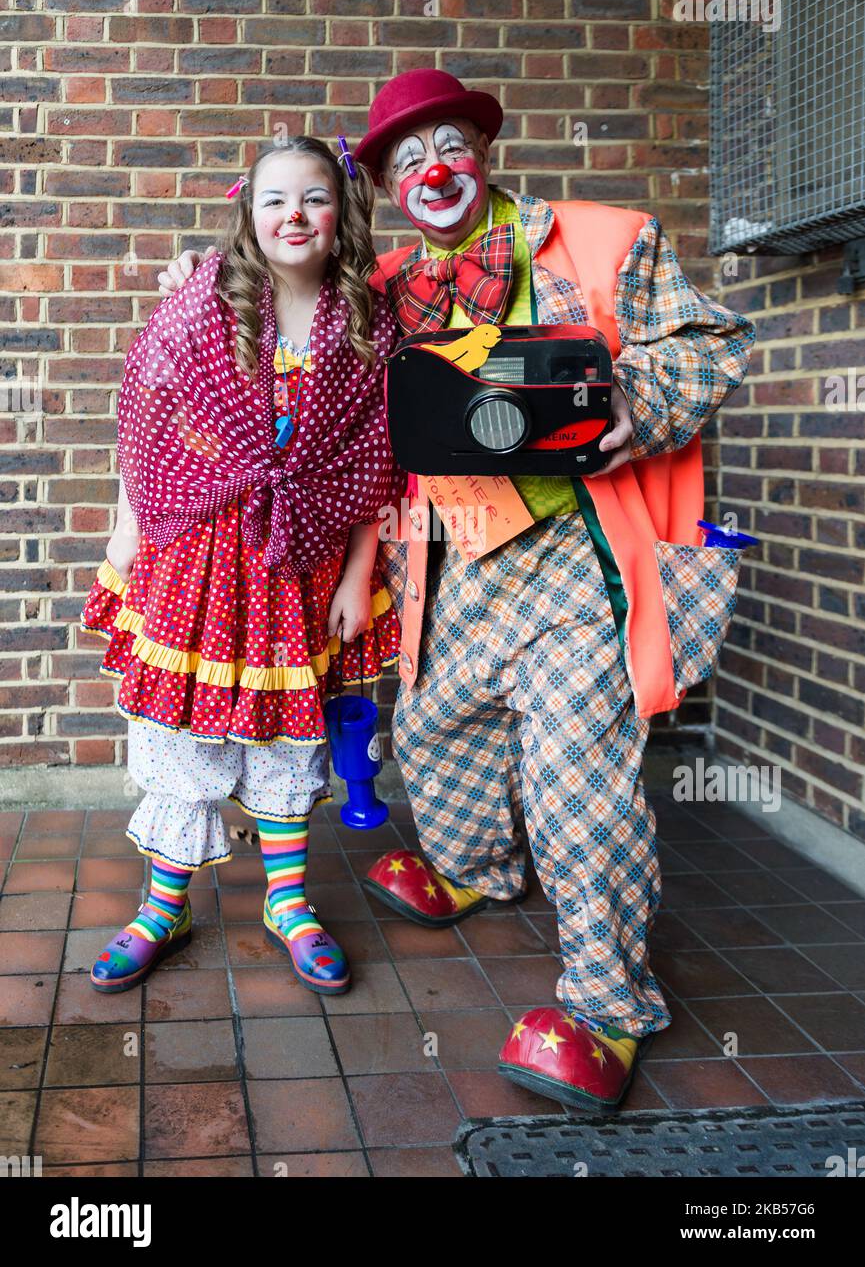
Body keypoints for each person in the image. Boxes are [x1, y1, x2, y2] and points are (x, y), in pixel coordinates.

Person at [156, 70, 756, 1113]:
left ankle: (609, 1002)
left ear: (484, 151)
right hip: (452, 556)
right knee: (436, 729)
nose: (431, 170)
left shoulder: (605, 240)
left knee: (573, 775)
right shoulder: (382, 286)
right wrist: (197, 281)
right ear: (384, 185)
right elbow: (280, 296)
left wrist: (636, 402)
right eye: (403, 160)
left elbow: (712, 342)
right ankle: (479, 864)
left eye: (448, 145)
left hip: (576, 556)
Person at [81, 135, 406, 999]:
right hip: (199, 551)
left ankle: (289, 903)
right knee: (185, 731)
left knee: (286, 735)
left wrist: (352, 577)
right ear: (247, 211)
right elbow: (146, 424)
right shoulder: (204, 301)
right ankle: (163, 907)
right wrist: (128, 526)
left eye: (314, 198)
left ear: (342, 215)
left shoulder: (368, 327)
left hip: (303, 559)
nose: (293, 215)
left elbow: (373, 467)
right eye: (274, 199)